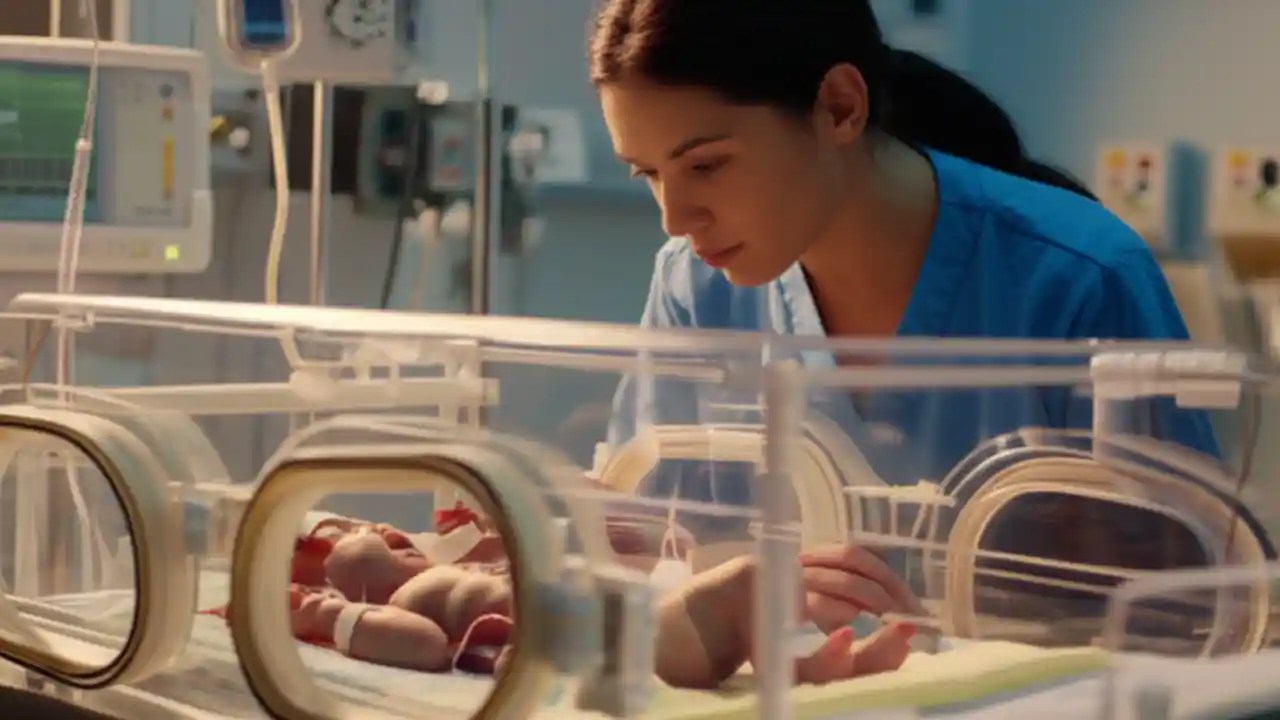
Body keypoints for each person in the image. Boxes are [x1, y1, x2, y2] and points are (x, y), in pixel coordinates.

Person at [588, 0, 1221, 665]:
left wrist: (944, 648)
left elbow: (1190, 615)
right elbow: (640, 553)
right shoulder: (694, 287)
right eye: (649, 173)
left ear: (839, 108)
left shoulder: (1079, 278)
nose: (674, 217)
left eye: (706, 165)